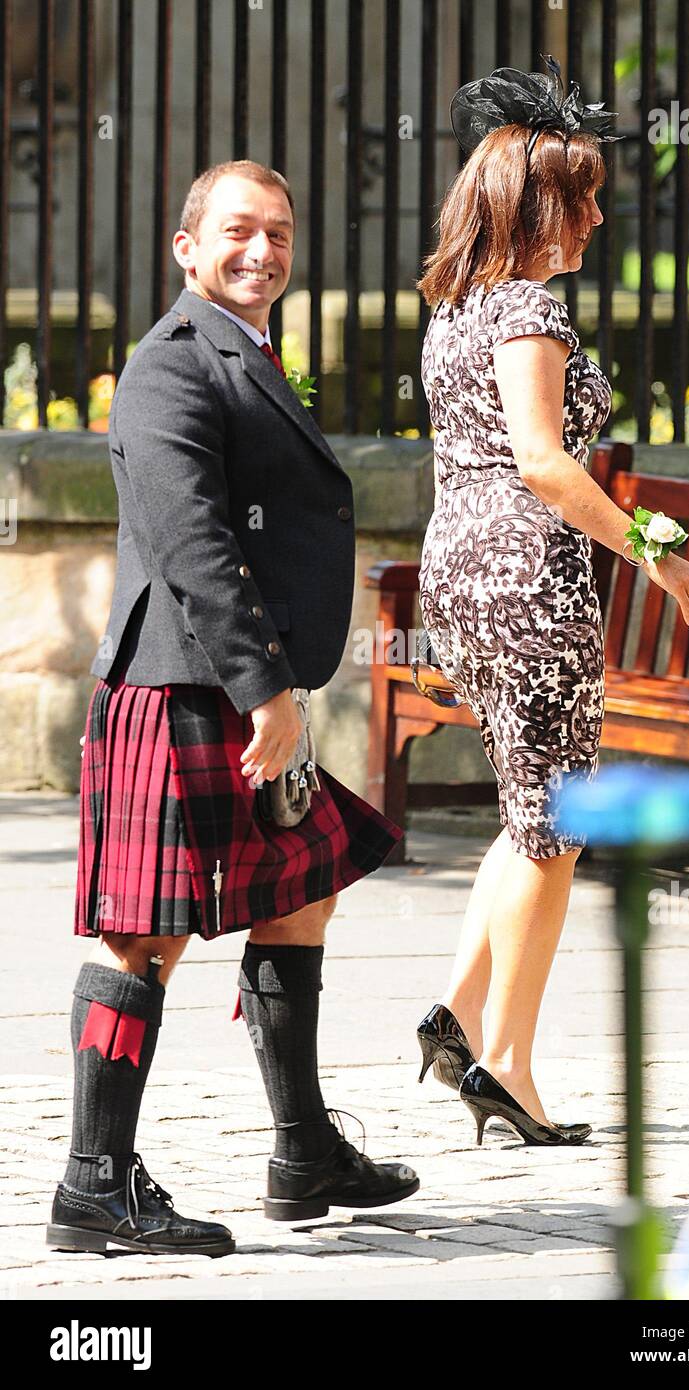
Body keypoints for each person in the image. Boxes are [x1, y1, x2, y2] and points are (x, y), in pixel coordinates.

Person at [47, 159, 419, 1257]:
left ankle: (303, 1151)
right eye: (238, 232)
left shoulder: (242, 351)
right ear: (185, 248)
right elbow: (192, 542)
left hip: (238, 692)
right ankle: (92, 1187)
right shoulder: (169, 365)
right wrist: (266, 689)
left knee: (303, 887)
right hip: (182, 689)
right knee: (143, 936)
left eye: (280, 234)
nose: (263, 252)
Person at [414, 61, 689, 1146]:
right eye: (579, 197)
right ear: (532, 205)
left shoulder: (453, 306)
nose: (595, 215)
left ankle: (455, 1014)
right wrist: (658, 557)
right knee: (555, 830)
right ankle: (505, 1063)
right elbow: (543, 464)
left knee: (523, 805)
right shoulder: (528, 309)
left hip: (457, 571)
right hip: (525, 578)